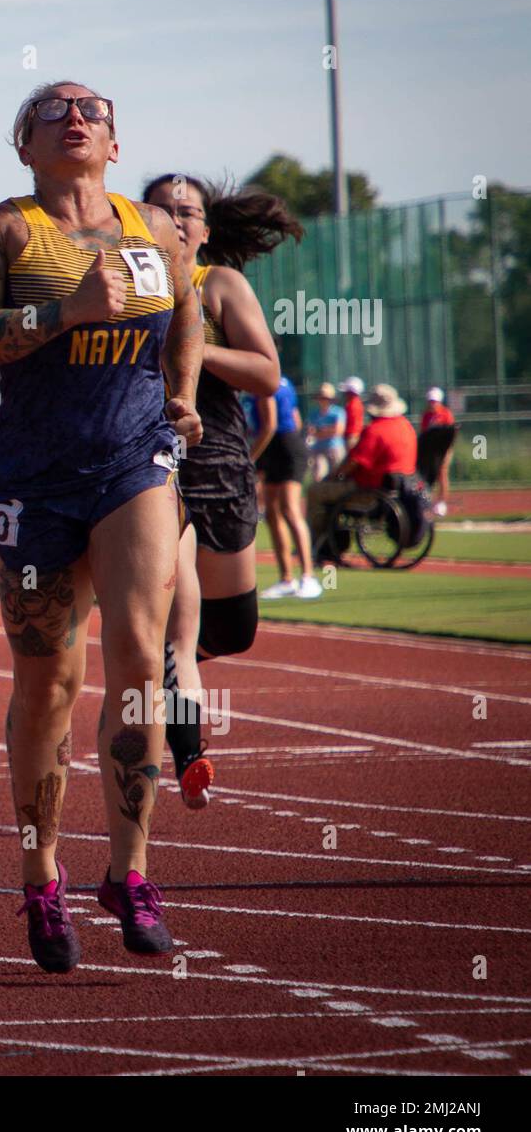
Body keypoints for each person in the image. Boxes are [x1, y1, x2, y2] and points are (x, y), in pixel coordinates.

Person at [0, 80, 203, 973]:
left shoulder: (156, 228)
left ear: (115, 144)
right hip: (34, 475)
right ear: (26, 146)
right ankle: (40, 875)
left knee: (140, 652)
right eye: (53, 111)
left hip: (134, 461)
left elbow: (189, 311)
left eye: (93, 108)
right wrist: (66, 312)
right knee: (49, 679)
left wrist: (183, 395)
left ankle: (129, 872)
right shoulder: (2, 227)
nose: (77, 117)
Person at [142, 174, 298, 808]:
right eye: (166, 211)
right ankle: (189, 755)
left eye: (190, 212)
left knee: (231, 630)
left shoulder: (222, 286)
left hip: (221, 466)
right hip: (153, 467)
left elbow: (266, 374)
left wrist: (198, 351)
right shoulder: (129, 290)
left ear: (206, 229)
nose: (179, 221)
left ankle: (157, 676)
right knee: (177, 626)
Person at [308, 383, 419, 547]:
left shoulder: (375, 430)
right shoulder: (407, 427)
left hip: (368, 490)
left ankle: (319, 541)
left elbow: (354, 462)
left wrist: (334, 476)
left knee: (315, 491)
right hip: (399, 488)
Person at [257, 373, 322, 599]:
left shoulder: (265, 382)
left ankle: (309, 577)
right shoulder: (284, 382)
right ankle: (286, 579)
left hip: (286, 447)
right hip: (276, 447)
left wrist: (249, 457)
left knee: (290, 510)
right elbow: (296, 417)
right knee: (272, 514)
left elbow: (270, 425)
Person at [419, 387, 457, 516]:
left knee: (442, 473)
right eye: (430, 401)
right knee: (428, 475)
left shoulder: (446, 414)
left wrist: (447, 452)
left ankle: (442, 503)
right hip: (430, 450)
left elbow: (451, 434)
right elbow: (424, 433)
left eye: (434, 401)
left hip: (443, 449)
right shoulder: (426, 415)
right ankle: (427, 501)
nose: (432, 404)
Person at [306, 383, 347, 482]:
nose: (323, 400)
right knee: (318, 476)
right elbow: (311, 431)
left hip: (335, 448)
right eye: (321, 398)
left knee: (338, 475)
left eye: (325, 398)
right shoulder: (313, 413)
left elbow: (338, 431)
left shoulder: (338, 412)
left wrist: (320, 431)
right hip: (318, 449)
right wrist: (328, 430)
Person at [339, 376, 365, 450]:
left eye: (347, 392)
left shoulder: (353, 405)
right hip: (354, 435)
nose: (345, 394)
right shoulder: (356, 403)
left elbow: (348, 422)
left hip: (352, 437)